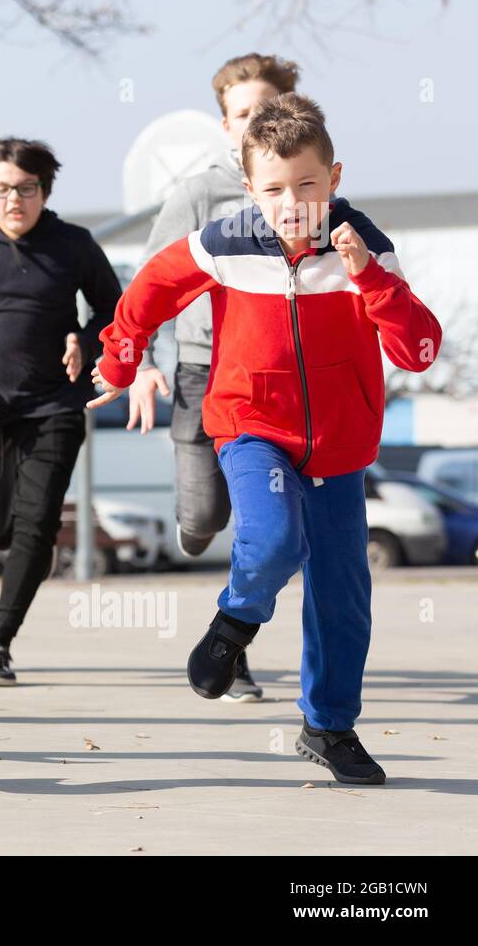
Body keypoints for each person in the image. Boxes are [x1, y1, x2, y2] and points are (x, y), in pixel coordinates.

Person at [89, 94, 442, 785]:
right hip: (251, 427)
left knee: (343, 595)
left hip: (338, 448)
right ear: (249, 187)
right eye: (274, 188)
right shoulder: (224, 242)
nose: (292, 201)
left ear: (333, 179)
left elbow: (420, 348)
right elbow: (154, 285)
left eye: (307, 184)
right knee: (275, 538)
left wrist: (368, 276)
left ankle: (328, 726)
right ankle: (236, 621)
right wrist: (120, 356)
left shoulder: (364, 249)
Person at [127, 52, 301, 703]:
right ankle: (196, 524)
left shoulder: (307, 191)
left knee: (264, 524)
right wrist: (140, 363)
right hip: (204, 369)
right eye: (243, 113)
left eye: (269, 109)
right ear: (225, 125)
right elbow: (150, 281)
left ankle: (235, 644)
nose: (257, 122)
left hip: (278, 379)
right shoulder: (201, 194)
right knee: (203, 521)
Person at [0, 137, 123, 686]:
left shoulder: (74, 244)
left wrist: (86, 339)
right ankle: (13, 574)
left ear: (45, 190)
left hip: (56, 406)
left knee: (37, 527)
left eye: (26, 189)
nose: (14, 200)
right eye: (2, 189)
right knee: (0, 530)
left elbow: (115, 310)